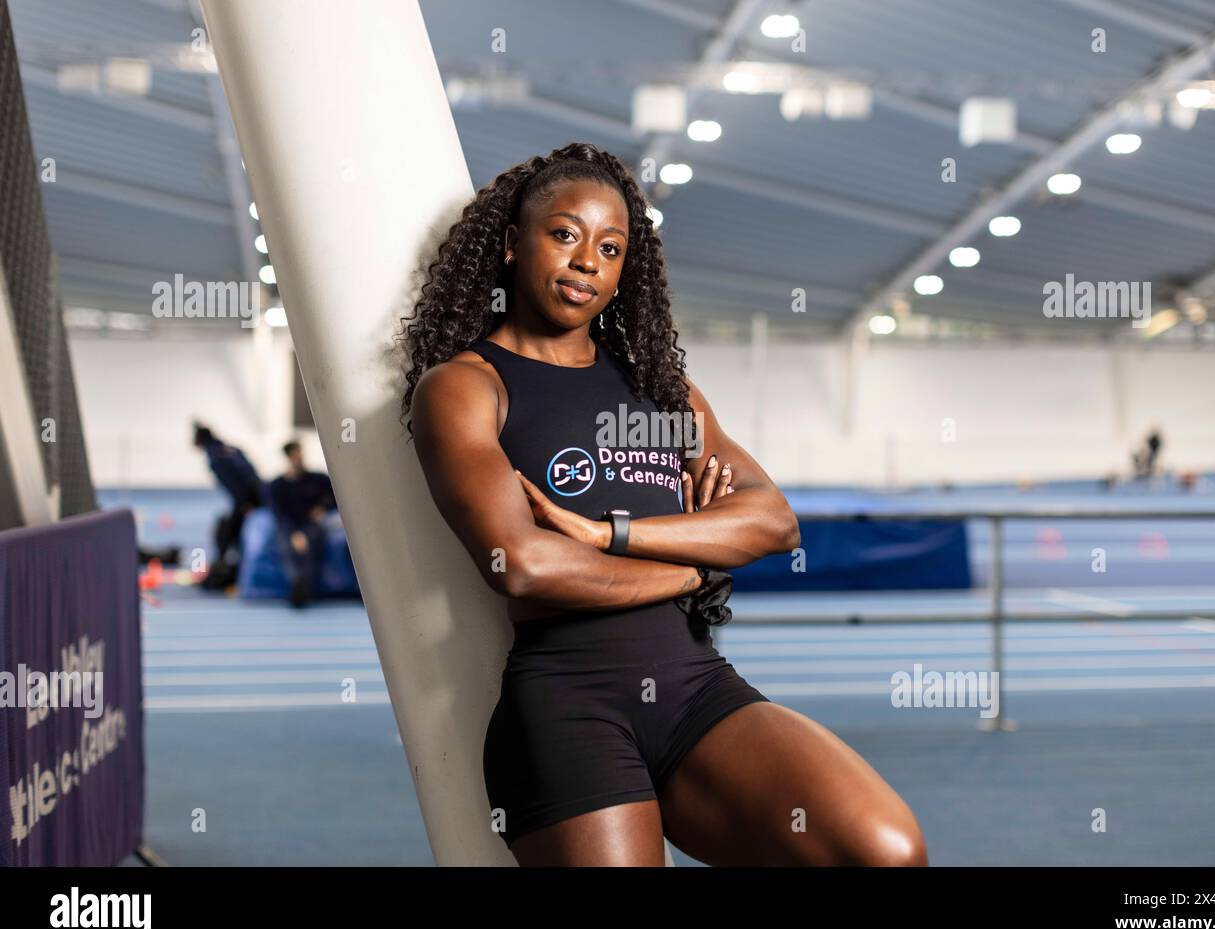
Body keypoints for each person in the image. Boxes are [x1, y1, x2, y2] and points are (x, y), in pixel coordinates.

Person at [398, 143, 927, 867]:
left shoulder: (656, 389)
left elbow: (773, 519)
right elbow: (520, 562)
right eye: (564, 234)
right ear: (511, 245)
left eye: (610, 247)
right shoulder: (467, 387)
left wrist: (610, 533)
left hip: (695, 691)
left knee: (883, 850)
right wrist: (694, 565)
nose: (588, 260)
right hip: (568, 709)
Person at [192, 423, 263, 589]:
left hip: (248, 501)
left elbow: (236, 484)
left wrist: (246, 504)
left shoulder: (215, 458)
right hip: (255, 496)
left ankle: (226, 571)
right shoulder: (230, 448)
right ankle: (229, 569)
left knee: (226, 534)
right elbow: (251, 472)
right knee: (229, 531)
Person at [269, 440, 336, 608]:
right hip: (290, 526)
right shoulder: (278, 485)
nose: (299, 458)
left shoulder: (317, 479)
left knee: (311, 542)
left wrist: (322, 508)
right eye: (295, 454)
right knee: (287, 545)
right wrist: (294, 533)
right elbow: (280, 514)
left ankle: (304, 584)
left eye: (300, 453)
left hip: (310, 523)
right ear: (288, 457)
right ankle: (298, 583)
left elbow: (334, 495)